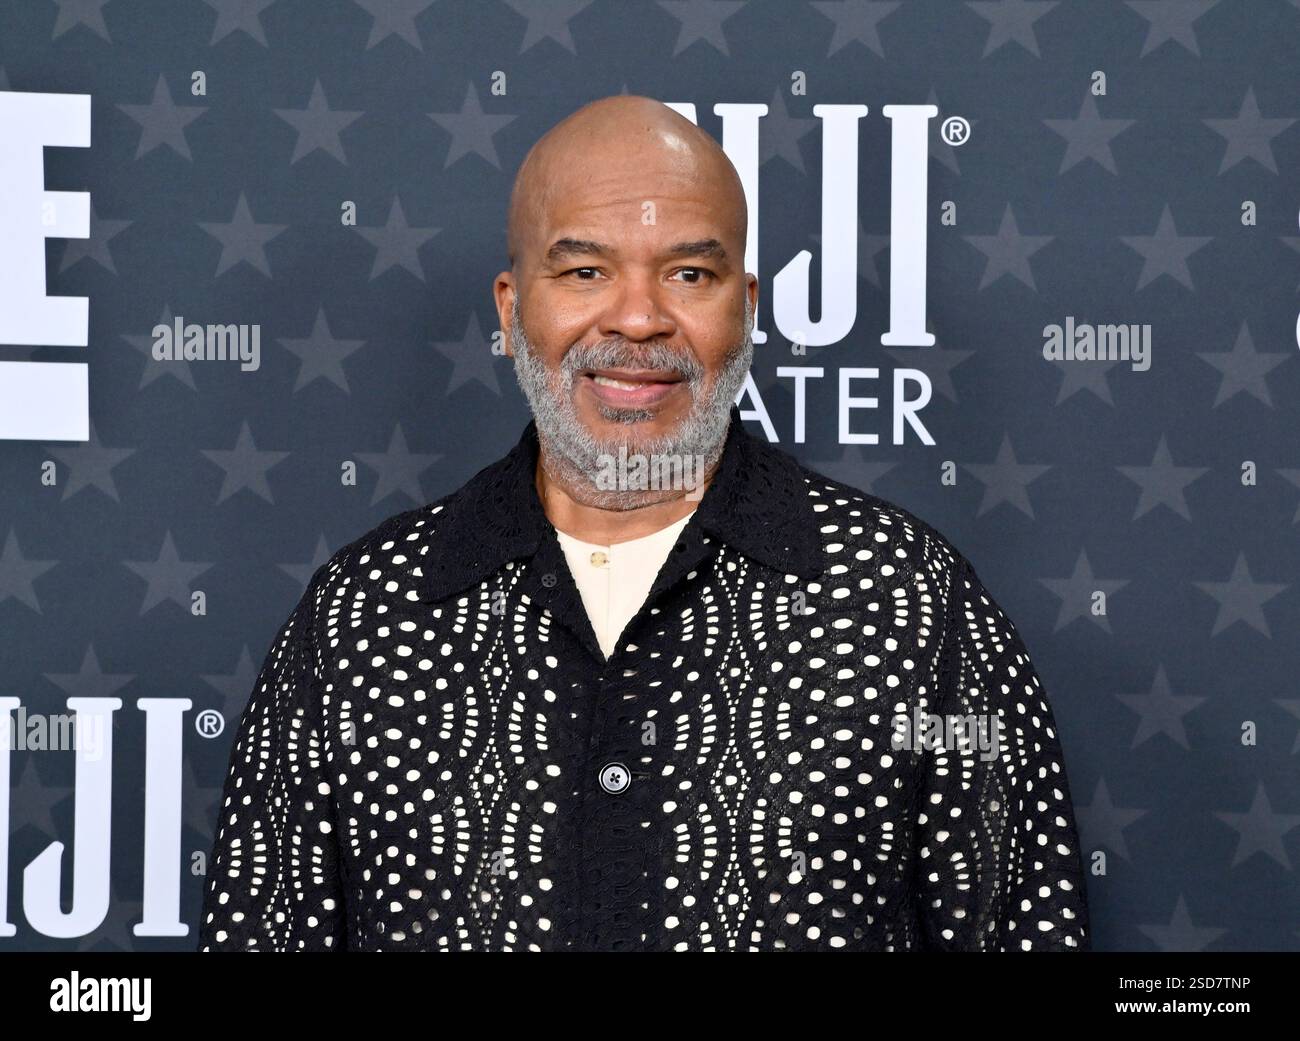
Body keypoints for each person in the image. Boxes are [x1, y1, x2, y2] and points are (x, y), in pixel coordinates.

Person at [198, 95, 1090, 951]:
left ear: (745, 306)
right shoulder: (362, 617)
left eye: (688, 274)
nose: (637, 317)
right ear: (512, 312)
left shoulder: (909, 604)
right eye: (585, 270)